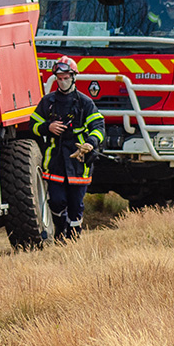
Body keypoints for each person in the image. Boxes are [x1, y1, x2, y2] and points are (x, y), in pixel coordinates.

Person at [31, 57, 105, 241]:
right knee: (56, 201)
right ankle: (60, 228)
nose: (62, 81)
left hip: (79, 161)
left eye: (66, 77)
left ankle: (73, 236)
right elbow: (33, 124)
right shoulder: (48, 101)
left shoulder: (85, 102)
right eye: (59, 78)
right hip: (55, 160)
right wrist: (47, 127)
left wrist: (91, 143)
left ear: (74, 77)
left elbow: (98, 126)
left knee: (75, 204)